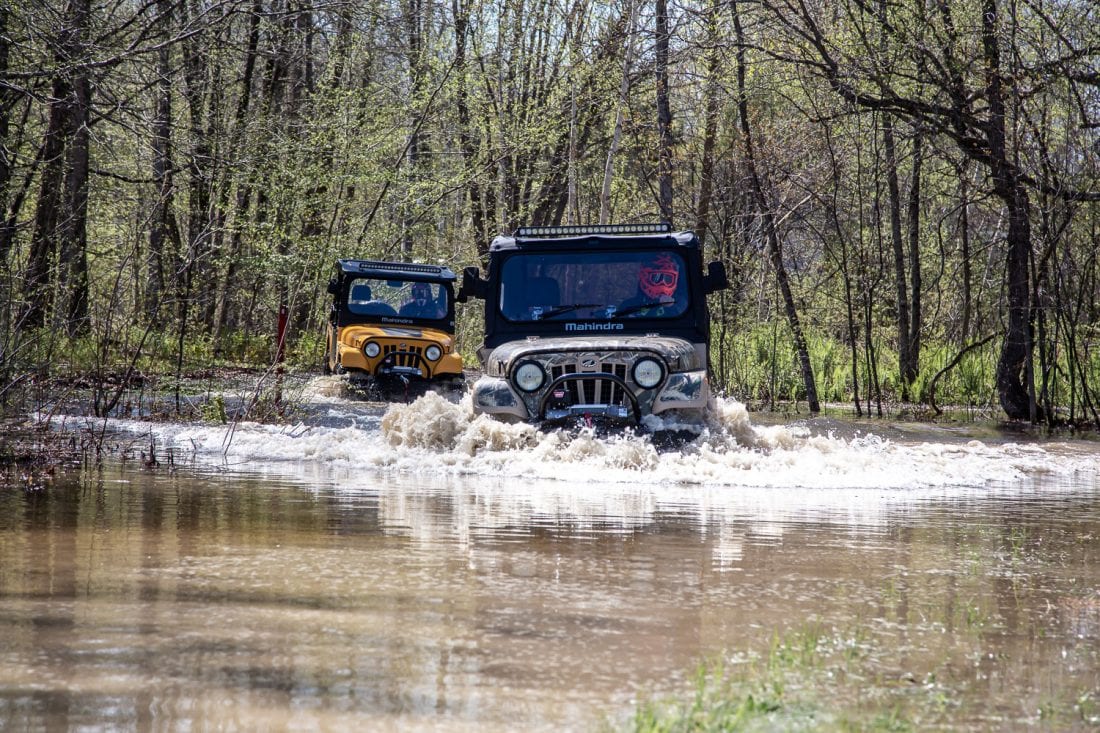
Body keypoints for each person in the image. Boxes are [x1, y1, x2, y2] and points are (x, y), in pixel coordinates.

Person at [617, 253, 683, 317]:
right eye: (656, 278)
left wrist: (670, 307)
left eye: (668, 279)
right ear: (645, 277)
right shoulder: (629, 306)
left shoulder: (680, 305)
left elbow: (682, 322)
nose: (662, 283)